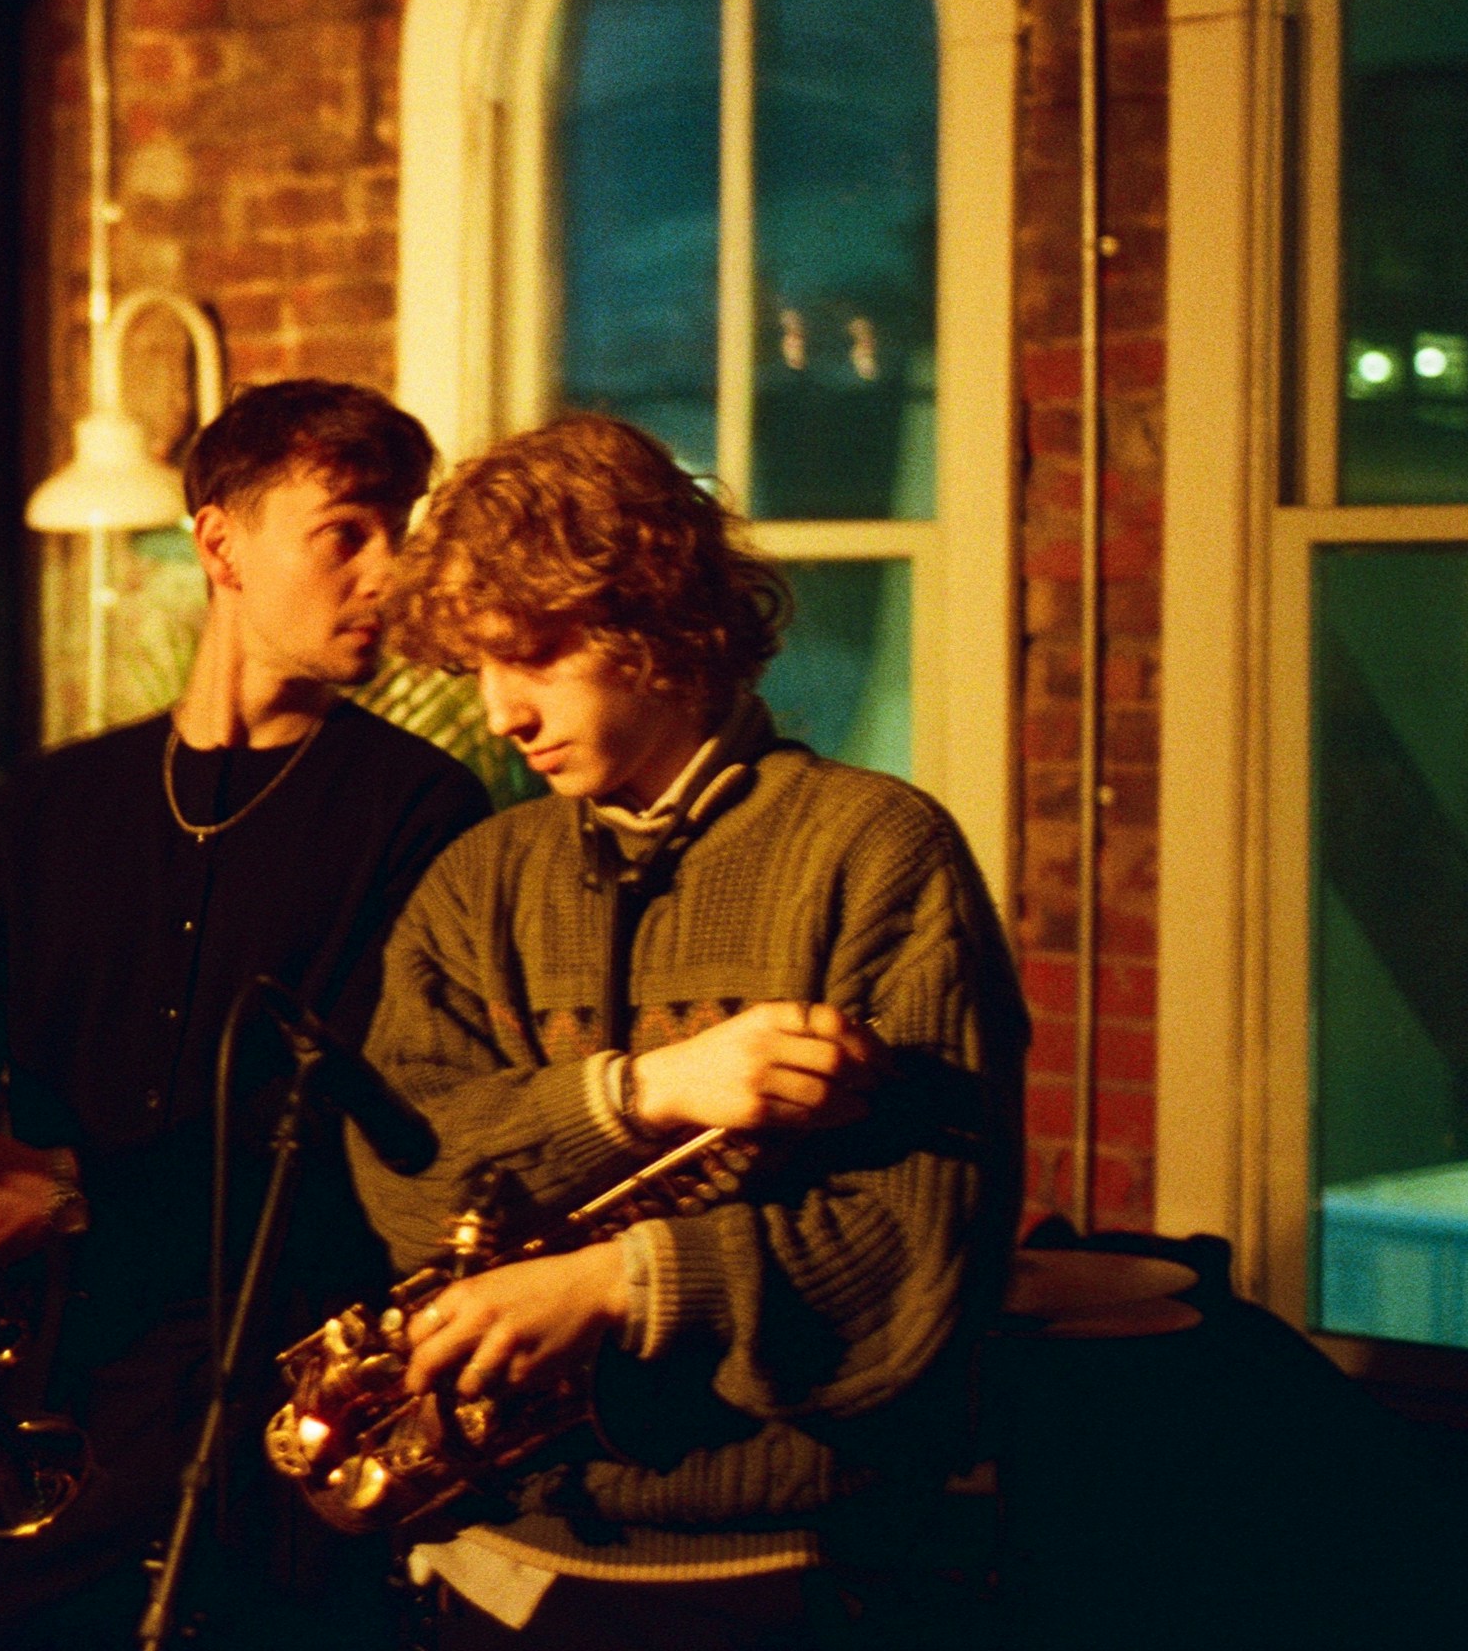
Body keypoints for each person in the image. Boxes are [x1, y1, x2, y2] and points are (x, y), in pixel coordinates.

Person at [0, 379, 495, 1650]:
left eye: (401, 530)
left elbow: (364, 1140)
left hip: (254, 1401)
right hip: (32, 1371)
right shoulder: (56, 802)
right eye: (348, 529)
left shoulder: (419, 810)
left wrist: (71, 1189)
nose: (389, 570)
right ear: (217, 541)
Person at [354, 414, 1026, 1649]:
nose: (501, 709)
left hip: (795, 1565)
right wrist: (637, 1092)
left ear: (658, 619)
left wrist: (624, 1282)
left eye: (539, 653)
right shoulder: (475, 878)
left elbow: (920, 1251)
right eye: (479, 668)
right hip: (501, 1557)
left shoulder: (875, 850)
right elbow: (406, 1179)